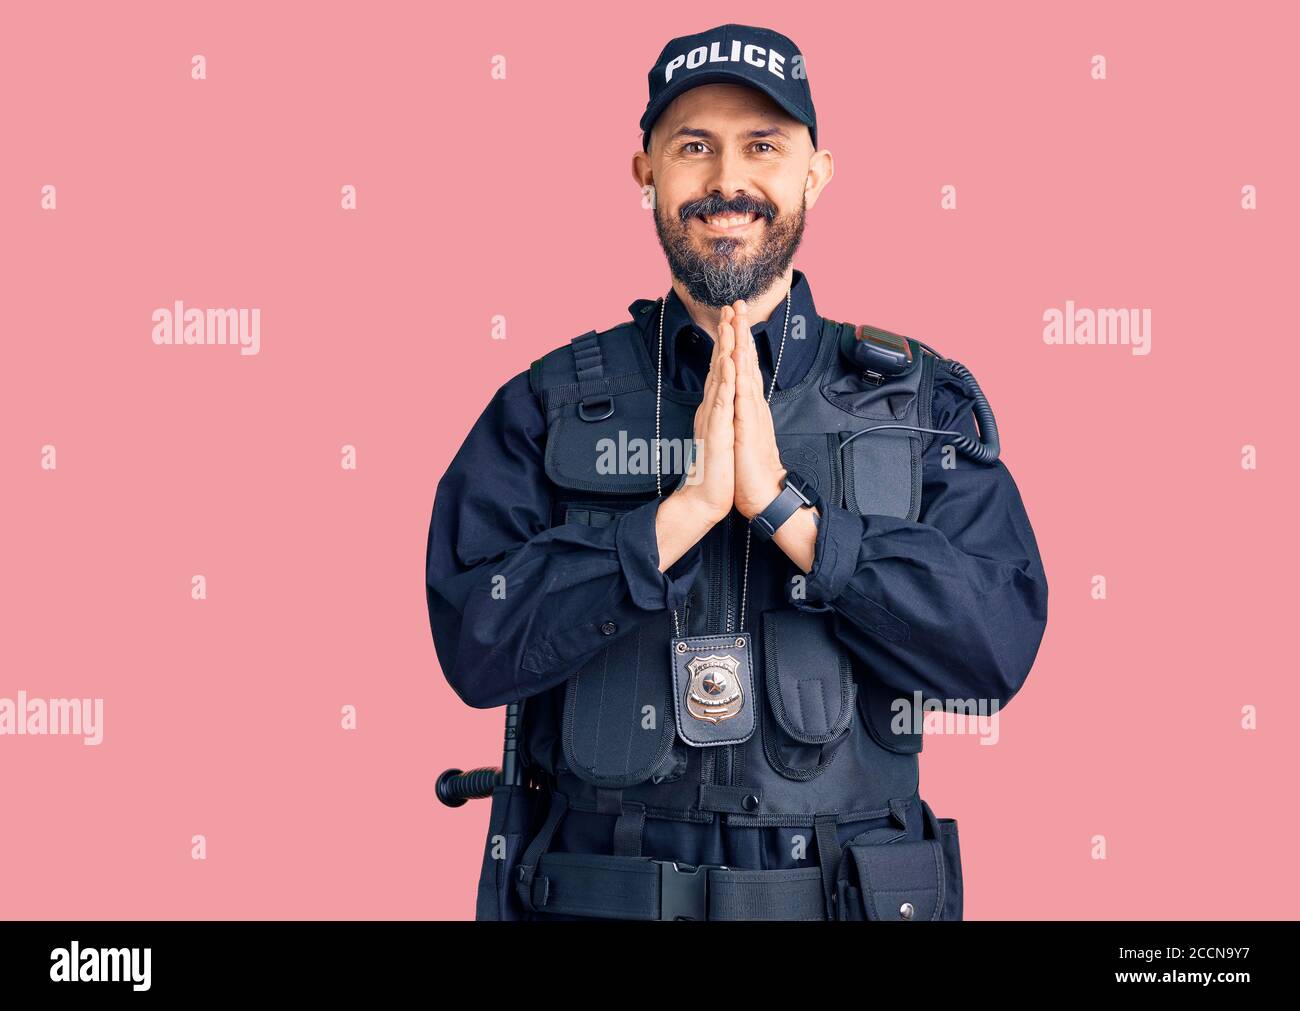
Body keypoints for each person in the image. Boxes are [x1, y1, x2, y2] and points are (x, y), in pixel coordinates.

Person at [425, 23, 1048, 921]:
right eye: (693, 147)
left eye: (762, 146)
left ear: (816, 172)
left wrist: (793, 520)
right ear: (645, 171)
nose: (727, 181)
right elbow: (474, 646)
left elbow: (998, 642)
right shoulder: (546, 405)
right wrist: (673, 522)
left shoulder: (920, 406)